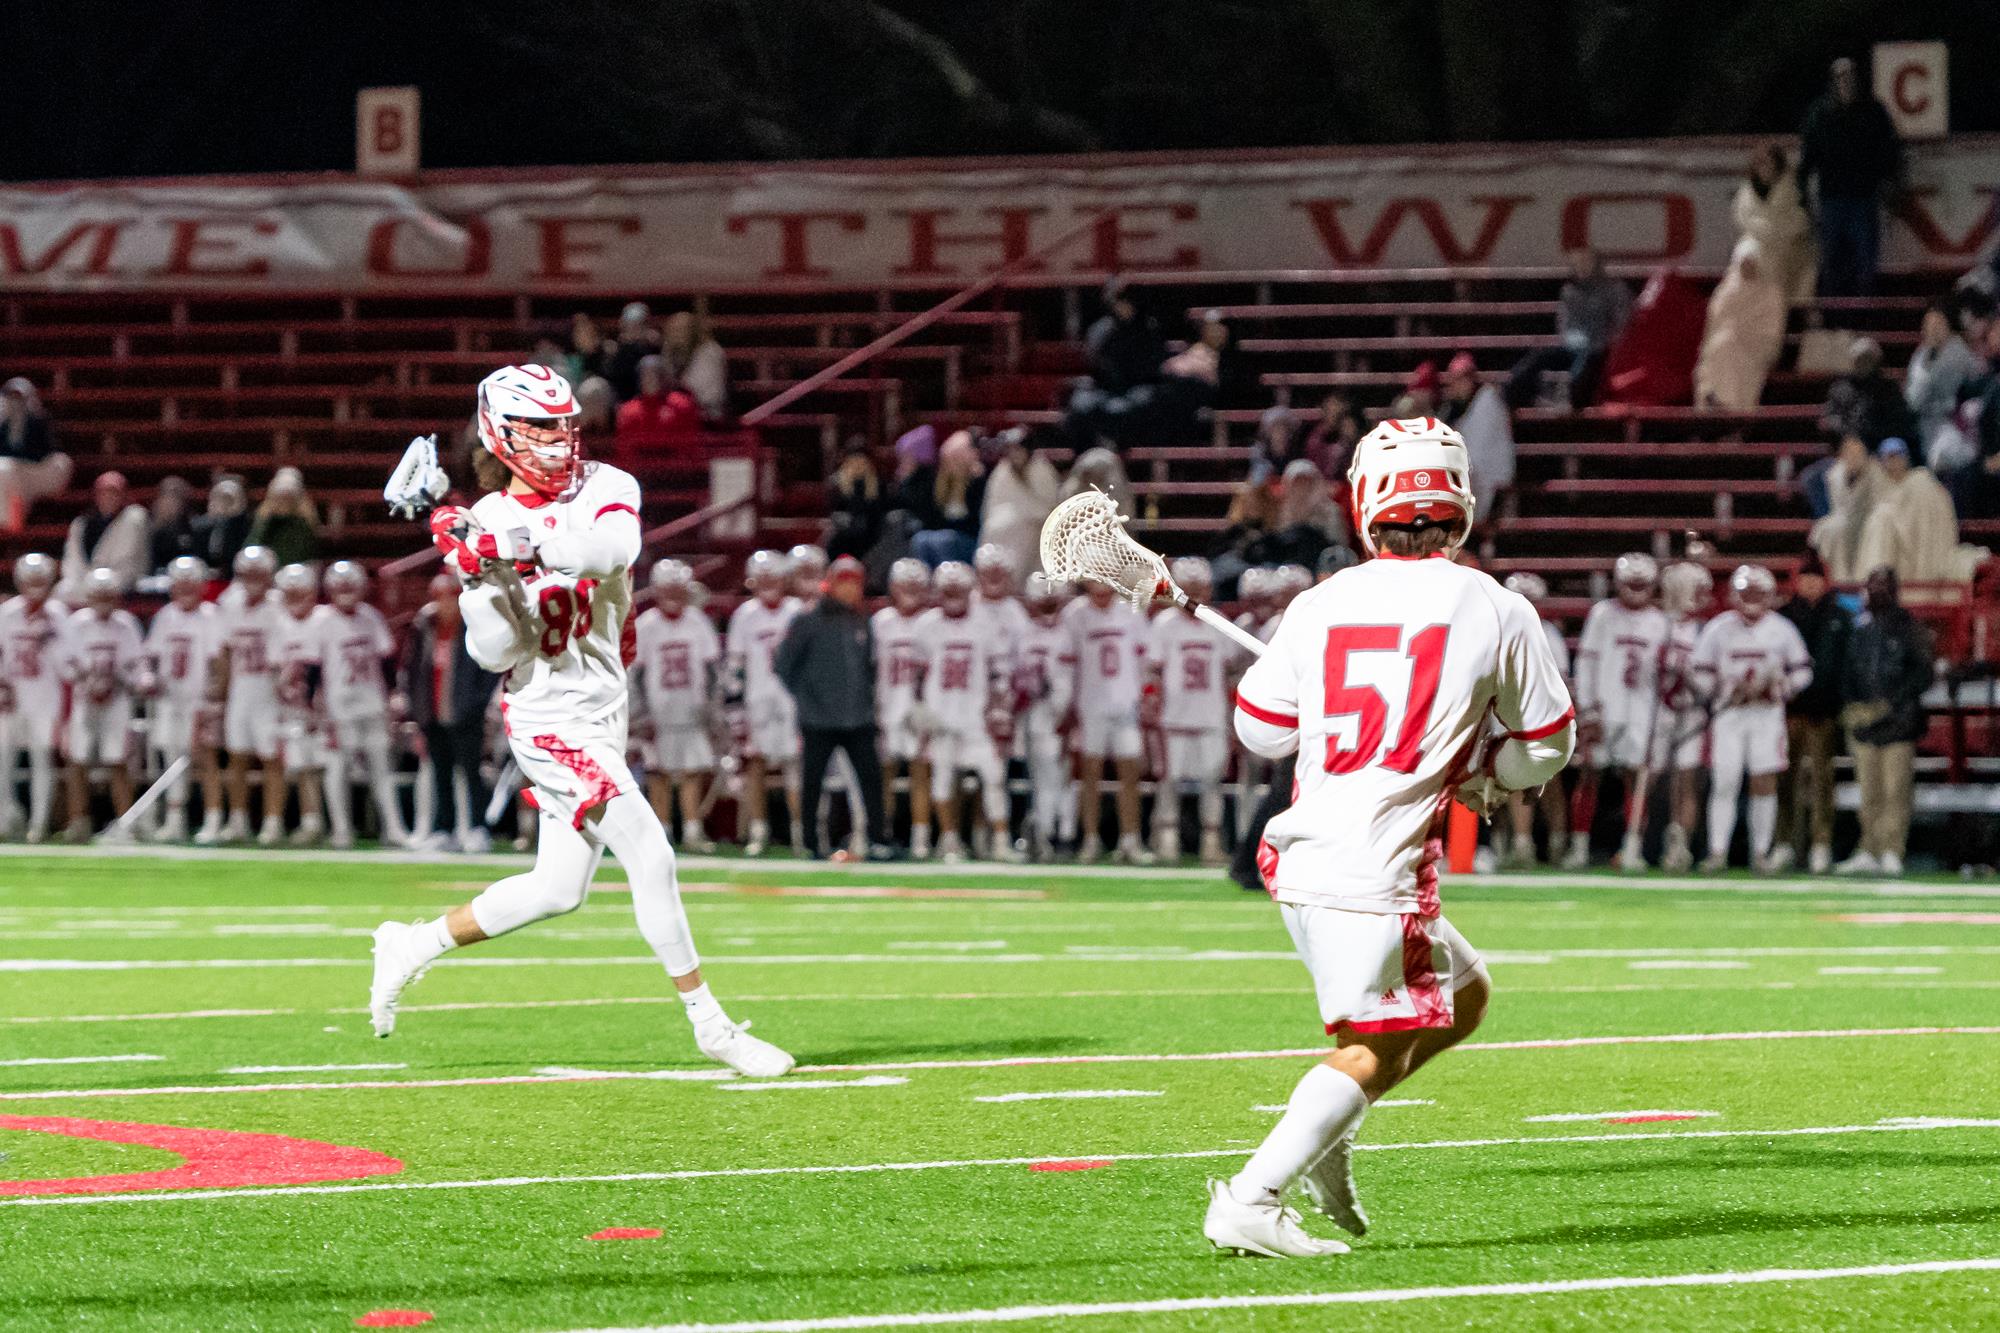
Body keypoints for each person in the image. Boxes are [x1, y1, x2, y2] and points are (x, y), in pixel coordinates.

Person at [1206, 415, 1573, 1259]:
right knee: (1373, 1050)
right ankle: (1255, 1194)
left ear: (1367, 499)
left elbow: (1262, 730)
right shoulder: (1496, 605)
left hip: (1301, 858)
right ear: (1460, 500)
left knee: (1468, 992)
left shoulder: (1320, 601)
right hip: (1379, 873)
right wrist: (1492, 772)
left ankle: (1329, 1128)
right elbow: (1550, 742)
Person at [366, 364, 792, 1079]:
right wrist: (481, 580)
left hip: (605, 704)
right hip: (547, 715)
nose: (558, 439)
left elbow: (611, 553)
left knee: (558, 888)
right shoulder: (491, 519)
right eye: (540, 427)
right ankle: (711, 1024)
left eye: (564, 423)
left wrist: (512, 548)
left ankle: (412, 943)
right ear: (502, 433)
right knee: (651, 856)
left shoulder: (606, 486)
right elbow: (496, 649)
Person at [1690, 566, 1812, 873]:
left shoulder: (1782, 629)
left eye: (1758, 594)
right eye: (1747, 593)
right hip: (1729, 715)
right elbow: (1699, 671)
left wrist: (1778, 687)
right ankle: (1718, 851)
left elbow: (1803, 671)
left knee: (1764, 782)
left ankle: (1760, 852)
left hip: (1766, 716)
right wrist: (1725, 689)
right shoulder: (1719, 628)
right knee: (1725, 781)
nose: (1752, 600)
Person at [772, 555, 891, 861]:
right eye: (845, 583)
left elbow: (869, 667)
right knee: (812, 783)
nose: (851, 591)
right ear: (832, 584)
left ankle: (877, 839)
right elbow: (784, 666)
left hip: (858, 717)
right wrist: (807, 699)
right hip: (818, 719)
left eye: (855, 584)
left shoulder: (861, 619)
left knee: (871, 781)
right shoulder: (807, 620)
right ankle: (810, 841)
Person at [1563, 553, 1667, 868]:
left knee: (1637, 778)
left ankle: (1631, 847)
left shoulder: (1660, 622)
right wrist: (1588, 709)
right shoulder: (1603, 614)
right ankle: (1579, 846)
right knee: (1590, 775)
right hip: (1605, 706)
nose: (1636, 589)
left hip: (1641, 710)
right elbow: (1587, 662)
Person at [908, 561, 1013, 862]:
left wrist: (998, 709)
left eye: (958, 589)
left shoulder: (985, 624)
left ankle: (1001, 841)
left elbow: (999, 672)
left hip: (976, 716)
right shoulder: (927, 625)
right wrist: (918, 708)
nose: (952, 595)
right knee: (942, 779)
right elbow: (917, 675)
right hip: (941, 716)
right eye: (947, 590)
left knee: (993, 777)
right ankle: (950, 840)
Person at [1838, 567, 1932, 876]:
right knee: (1869, 791)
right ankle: (1869, 847)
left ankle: (1892, 849)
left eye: (1883, 586)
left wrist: (1890, 704)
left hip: (1898, 724)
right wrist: (1855, 705)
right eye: (1872, 585)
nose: (1877, 591)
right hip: (1865, 724)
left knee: (1895, 790)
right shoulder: (1860, 629)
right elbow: (1849, 670)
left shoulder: (1909, 627)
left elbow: (1922, 674)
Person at [398, 570, 499, 853]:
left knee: (471, 774)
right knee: (440, 774)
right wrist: (416, 711)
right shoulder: (425, 627)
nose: (445, 605)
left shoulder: (473, 628)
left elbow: (488, 671)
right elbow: (413, 670)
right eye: (440, 598)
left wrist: (476, 704)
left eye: (450, 598)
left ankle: (478, 827)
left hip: (464, 713)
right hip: (433, 714)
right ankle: (445, 829)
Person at [314, 561, 410, 850]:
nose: (345, 593)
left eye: (350, 587)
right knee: (338, 767)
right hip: (338, 704)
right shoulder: (321, 620)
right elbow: (312, 668)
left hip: (371, 700)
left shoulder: (371, 617)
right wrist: (318, 707)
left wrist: (391, 696)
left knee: (381, 767)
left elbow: (386, 660)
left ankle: (392, 828)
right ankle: (341, 829)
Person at [630, 560, 722, 853]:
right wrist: (641, 712)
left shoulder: (698, 621)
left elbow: (710, 670)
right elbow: (637, 674)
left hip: (691, 708)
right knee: (658, 773)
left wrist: (710, 706)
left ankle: (693, 830)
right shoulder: (646, 625)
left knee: (692, 771)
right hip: (657, 711)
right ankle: (662, 831)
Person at [1149, 557, 1235, 864]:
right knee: (1169, 780)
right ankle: (1166, 838)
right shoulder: (1164, 626)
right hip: (1175, 714)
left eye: (1200, 588)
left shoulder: (1219, 623)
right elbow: (1154, 674)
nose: (1196, 594)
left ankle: (1210, 841)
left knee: (1212, 780)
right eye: (1189, 588)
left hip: (1210, 713)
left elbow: (1228, 672)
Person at [1063, 575, 1151, 864]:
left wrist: (1142, 696)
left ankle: (1130, 839)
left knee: (1130, 775)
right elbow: (1067, 664)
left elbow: (1143, 659)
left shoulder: (1131, 611)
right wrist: (1068, 705)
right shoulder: (1075, 614)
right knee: (1090, 775)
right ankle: (1090, 838)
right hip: (1091, 704)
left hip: (1126, 703)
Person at [1800, 57, 1903, 299]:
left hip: (1864, 198)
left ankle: (1864, 318)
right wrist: (1802, 193)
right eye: (1840, 77)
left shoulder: (1874, 111)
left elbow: (1889, 151)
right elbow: (1808, 157)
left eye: (1850, 76)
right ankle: (1833, 320)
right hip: (1831, 199)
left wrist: (1891, 185)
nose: (1845, 81)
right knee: (1830, 263)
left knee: (1866, 263)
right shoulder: (1820, 113)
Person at [56, 567, 143, 841]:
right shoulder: (77, 624)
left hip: (116, 702)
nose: (103, 600)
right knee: (77, 761)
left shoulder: (126, 624)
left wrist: (118, 680)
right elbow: (65, 663)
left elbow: (135, 665)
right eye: (99, 595)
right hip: (84, 701)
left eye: (108, 595)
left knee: (117, 762)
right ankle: (79, 820)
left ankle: (125, 823)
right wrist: (85, 680)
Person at [725, 549, 803, 856]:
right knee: (755, 764)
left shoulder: (797, 611)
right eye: (763, 578)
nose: (768, 583)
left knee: (795, 765)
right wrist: (735, 709)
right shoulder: (745, 615)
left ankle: (801, 831)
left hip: (793, 700)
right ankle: (758, 829)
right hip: (758, 700)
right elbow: (735, 666)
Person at [1777, 552, 1851, 875]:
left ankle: (1822, 843)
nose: (1810, 585)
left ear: (1825, 581)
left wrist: (1834, 703)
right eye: (1805, 578)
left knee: (1823, 781)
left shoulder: (1839, 617)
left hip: (1823, 714)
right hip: (1788, 714)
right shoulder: (1783, 617)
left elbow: (1845, 668)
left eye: (1815, 578)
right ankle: (1786, 843)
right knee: (1785, 780)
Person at [208, 545, 287, 846]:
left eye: (258, 574)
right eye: (248, 574)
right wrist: (221, 692)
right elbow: (224, 650)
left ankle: (273, 822)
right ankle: (238, 820)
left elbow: (284, 658)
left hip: (268, 688)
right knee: (237, 756)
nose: (253, 580)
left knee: (270, 758)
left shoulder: (277, 605)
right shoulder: (230, 603)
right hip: (241, 688)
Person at [143, 556, 223, 843]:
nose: (185, 589)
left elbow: (218, 661)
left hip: (199, 700)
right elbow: (151, 657)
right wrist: (149, 678)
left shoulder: (212, 616)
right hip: (170, 700)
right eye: (180, 584)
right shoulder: (166, 616)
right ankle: (175, 819)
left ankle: (213, 819)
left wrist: (214, 700)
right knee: (171, 759)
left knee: (204, 759)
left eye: (191, 583)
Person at [1496, 573, 1571, 869]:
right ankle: (1518, 843)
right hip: (1506, 714)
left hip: (1542, 715)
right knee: (1505, 782)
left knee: (1550, 783)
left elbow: (1560, 681)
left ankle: (1557, 842)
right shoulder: (1495, 633)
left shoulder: (1548, 634)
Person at [1650, 561, 1717, 872]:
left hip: (1691, 714)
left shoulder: (1706, 631)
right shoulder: (1658, 625)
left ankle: (1681, 842)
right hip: (1656, 711)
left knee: (1686, 780)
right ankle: (1641, 839)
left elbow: (1710, 682)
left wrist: (1688, 677)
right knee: (1650, 778)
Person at [1505, 247, 1631, 411]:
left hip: (1601, 349)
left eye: (1586, 262)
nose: (1582, 266)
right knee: (1540, 357)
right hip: (1573, 344)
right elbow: (1564, 325)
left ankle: (1571, 400)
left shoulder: (1615, 290)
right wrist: (1576, 341)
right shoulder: (1570, 292)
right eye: (1578, 262)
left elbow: (1623, 324)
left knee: (1585, 360)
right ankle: (1513, 394)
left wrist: (1603, 342)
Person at [0, 553, 66, 842]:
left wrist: (49, 639)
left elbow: (70, 663)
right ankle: (6, 816)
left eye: (41, 581)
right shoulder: (7, 613)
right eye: (31, 581)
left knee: (41, 758)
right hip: (11, 697)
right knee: (3, 759)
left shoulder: (59, 615)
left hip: (44, 697)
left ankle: (38, 823)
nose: (35, 587)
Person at [872, 559, 934, 855]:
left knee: (920, 773)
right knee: (884, 774)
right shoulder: (881, 621)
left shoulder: (933, 621)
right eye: (904, 585)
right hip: (887, 704)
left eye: (915, 586)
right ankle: (883, 833)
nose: (909, 591)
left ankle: (920, 838)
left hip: (919, 707)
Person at [1014, 573, 1077, 861]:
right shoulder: (1025, 633)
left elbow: (1078, 678)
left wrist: (1070, 713)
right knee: (1043, 778)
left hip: (1066, 713)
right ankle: (1046, 831)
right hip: (1037, 714)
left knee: (1061, 777)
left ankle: (1061, 833)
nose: (1048, 607)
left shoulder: (1070, 633)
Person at [1854, 438, 1965, 597]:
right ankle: (1877, 589)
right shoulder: (1878, 488)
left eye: (1898, 456)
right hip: (1893, 546)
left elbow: (1938, 514)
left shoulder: (1921, 480)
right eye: (1889, 457)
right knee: (1880, 520)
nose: (1894, 461)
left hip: (1921, 542)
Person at [272, 563, 330, 846]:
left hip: (327, 708)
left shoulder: (323, 620)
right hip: (293, 708)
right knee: (302, 768)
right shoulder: (279, 624)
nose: (295, 598)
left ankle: (335, 824)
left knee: (323, 768)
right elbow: (275, 670)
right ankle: (312, 821)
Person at [1694, 239, 1788, 411]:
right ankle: (1715, 404)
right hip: (1722, 346)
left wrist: (1740, 336)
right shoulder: (1725, 291)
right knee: (1719, 347)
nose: (1748, 267)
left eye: (1751, 262)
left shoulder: (1770, 292)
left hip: (1754, 348)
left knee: (1727, 346)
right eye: (1744, 262)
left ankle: (1729, 407)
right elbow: (1713, 327)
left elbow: (1771, 329)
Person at [1732, 143, 1817, 308]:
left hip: (1790, 249)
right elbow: (1744, 219)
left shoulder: (1793, 191)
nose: (1763, 168)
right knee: (1744, 261)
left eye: (1767, 163)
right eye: (1759, 163)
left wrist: (1774, 233)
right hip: (1757, 247)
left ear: (1777, 165)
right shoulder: (1747, 192)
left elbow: (1800, 222)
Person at [1904, 302, 1984, 462]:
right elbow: (1912, 397)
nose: (1932, 329)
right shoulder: (1921, 354)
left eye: (1937, 324)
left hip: (1957, 428)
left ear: (1948, 325)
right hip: (1926, 425)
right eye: (1928, 324)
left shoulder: (1958, 354)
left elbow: (1951, 395)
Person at [979, 428, 1063, 576]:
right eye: (1011, 450)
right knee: (995, 527)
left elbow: (1050, 510)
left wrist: (1020, 516)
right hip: (1002, 528)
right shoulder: (1001, 471)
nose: (1014, 454)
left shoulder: (1042, 470)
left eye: (1018, 449)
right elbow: (990, 508)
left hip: (1036, 529)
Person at [1440, 352, 1514, 516]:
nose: (1458, 385)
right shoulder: (1453, 409)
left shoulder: (1487, 401)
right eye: (1455, 380)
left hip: (1488, 476)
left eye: (1462, 379)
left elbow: (1488, 444)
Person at [58, 471, 149, 599]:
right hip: (85, 582)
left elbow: (128, 564)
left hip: (121, 582)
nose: (109, 497)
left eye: (114, 493)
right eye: (104, 493)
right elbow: (72, 561)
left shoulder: (134, 518)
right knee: (63, 591)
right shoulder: (81, 524)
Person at [1808, 435, 1884, 582]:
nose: (1854, 457)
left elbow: (1879, 502)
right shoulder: (1834, 475)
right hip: (1843, 522)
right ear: (1842, 455)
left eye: (1858, 453)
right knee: (1829, 529)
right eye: (1850, 452)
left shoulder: (1876, 473)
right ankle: (1837, 580)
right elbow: (1837, 507)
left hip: (1868, 521)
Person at [905, 430, 986, 566]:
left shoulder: (977, 482)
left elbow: (976, 521)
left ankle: (949, 581)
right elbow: (930, 517)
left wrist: (974, 480)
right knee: (920, 539)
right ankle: (928, 583)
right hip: (944, 536)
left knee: (944, 540)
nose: (953, 465)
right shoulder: (939, 484)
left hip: (969, 539)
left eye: (956, 459)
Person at [0, 378, 71, 533]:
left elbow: (45, 451)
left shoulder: (38, 421)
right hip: (11, 473)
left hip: (34, 469)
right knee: (4, 469)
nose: (15, 402)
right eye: (11, 397)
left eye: (19, 397)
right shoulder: (2, 424)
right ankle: (8, 524)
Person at [1819, 338, 1913, 449]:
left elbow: (1898, 421)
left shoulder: (1889, 388)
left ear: (1877, 361)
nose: (1864, 363)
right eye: (1860, 359)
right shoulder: (1840, 388)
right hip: (1847, 448)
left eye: (1868, 359)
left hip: (1880, 450)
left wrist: (1872, 434)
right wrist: (1850, 435)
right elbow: (1831, 417)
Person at [1081, 276, 1167, 395]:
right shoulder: (1101, 329)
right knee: (1083, 402)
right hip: (1108, 388)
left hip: (1141, 387)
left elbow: (1154, 363)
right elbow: (1095, 363)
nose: (1125, 305)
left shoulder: (1148, 327)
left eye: (1129, 299)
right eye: (1119, 300)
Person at [614, 355, 701, 456]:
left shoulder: (682, 405)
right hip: (640, 467)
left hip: (676, 467)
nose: (651, 379)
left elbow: (689, 446)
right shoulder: (627, 411)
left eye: (656, 374)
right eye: (646, 375)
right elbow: (625, 449)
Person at [247, 467, 320, 568]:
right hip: (267, 570)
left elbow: (305, 552)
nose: (284, 502)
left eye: (288, 498)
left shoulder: (304, 520)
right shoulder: (264, 516)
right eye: (280, 498)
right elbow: (253, 546)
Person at [661, 310, 728, 419]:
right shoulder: (669, 352)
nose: (677, 335)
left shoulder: (709, 352)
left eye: (682, 330)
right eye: (673, 331)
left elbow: (711, 395)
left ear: (694, 332)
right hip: (676, 413)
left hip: (706, 415)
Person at [825, 438, 884, 563]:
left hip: (870, 534)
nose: (858, 465)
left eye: (862, 462)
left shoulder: (877, 485)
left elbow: (878, 514)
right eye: (853, 461)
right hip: (845, 533)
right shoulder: (835, 484)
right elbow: (833, 512)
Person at [192, 475, 252, 574]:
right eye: (222, 499)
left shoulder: (246, 525)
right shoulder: (200, 526)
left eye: (229, 500)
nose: (225, 504)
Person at [604, 301, 662, 400]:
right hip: (623, 402)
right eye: (630, 325)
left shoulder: (653, 349)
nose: (634, 330)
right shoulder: (615, 350)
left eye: (639, 325)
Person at [145, 476, 201, 576]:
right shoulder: (152, 528)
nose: (171, 501)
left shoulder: (194, 526)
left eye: (176, 496)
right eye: (167, 495)